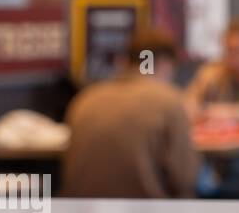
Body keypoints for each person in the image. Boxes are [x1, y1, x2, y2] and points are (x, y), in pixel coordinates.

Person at [62, 28, 199, 198]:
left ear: (125, 61)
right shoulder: (168, 101)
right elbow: (185, 178)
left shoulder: (85, 99)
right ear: (165, 63)